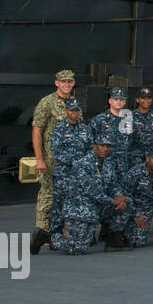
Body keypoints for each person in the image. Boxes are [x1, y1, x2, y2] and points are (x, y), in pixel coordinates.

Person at [50, 133, 129, 255]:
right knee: (79, 249)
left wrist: (120, 197)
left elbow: (113, 185)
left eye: (108, 146)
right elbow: (93, 192)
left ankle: (114, 237)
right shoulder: (82, 165)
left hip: (98, 206)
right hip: (80, 209)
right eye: (102, 146)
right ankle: (48, 238)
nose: (105, 149)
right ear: (94, 147)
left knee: (128, 202)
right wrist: (114, 201)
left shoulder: (108, 164)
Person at [30, 68, 76, 252]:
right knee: (48, 195)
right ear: (56, 83)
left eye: (70, 81)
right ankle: (43, 231)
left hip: (70, 160)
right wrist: (39, 158)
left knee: (67, 194)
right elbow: (37, 130)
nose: (66, 84)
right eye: (63, 81)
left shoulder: (74, 103)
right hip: (51, 158)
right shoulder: (47, 102)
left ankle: (62, 231)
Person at [48, 98, 92, 241]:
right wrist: (74, 162)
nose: (75, 113)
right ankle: (54, 236)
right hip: (63, 174)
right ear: (67, 111)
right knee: (59, 206)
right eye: (72, 110)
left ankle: (78, 234)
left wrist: (84, 163)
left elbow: (91, 148)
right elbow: (56, 150)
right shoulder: (60, 128)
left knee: (79, 203)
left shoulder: (85, 129)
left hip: (80, 174)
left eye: (77, 110)